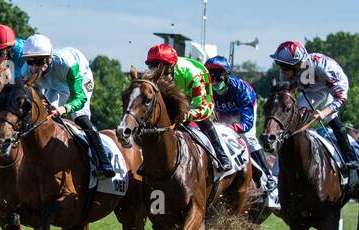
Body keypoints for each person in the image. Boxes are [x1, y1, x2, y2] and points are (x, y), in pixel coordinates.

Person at [21, 34, 111, 172]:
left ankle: (103, 162)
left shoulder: (67, 64)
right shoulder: (26, 71)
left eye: (38, 62)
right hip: (55, 86)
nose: (34, 67)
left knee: (79, 116)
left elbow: (79, 98)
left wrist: (64, 109)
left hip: (81, 78)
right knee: (43, 116)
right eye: (29, 61)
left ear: (49, 58)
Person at [271, 40, 358, 172]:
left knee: (331, 116)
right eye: (280, 65)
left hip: (332, 86)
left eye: (285, 67)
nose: (282, 70)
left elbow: (340, 98)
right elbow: (289, 96)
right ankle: (281, 167)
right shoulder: (289, 70)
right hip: (312, 89)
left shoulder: (324, 69)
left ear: (299, 64)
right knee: (295, 119)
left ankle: (350, 157)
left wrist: (323, 112)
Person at [144, 43, 231, 172]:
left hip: (193, 96)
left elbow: (205, 108)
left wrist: (187, 114)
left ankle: (222, 155)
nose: (160, 74)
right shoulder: (152, 77)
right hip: (177, 93)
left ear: (173, 66)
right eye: (154, 67)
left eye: (164, 69)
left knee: (202, 120)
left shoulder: (193, 74)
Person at [205, 55, 276, 192]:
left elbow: (247, 122)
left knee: (248, 137)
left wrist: (232, 128)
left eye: (218, 78)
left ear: (226, 77)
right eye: (210, 79)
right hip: (222, 112)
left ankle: (269, 177)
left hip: (242, 111)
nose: (213, 82)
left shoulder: (240, 89)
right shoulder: (206, 89)